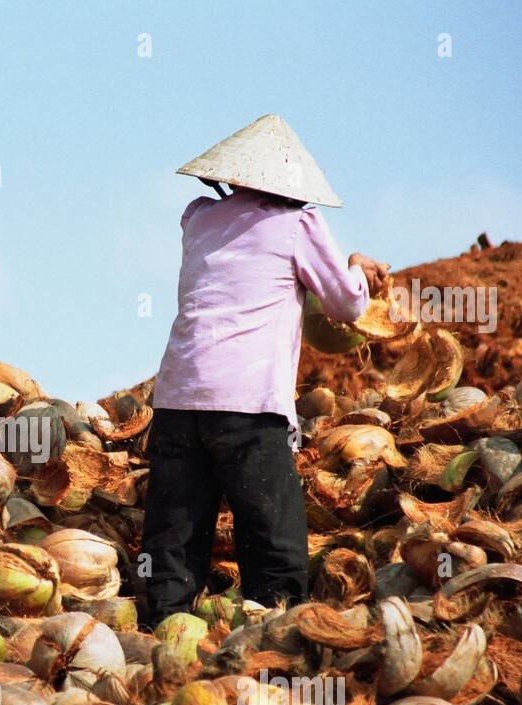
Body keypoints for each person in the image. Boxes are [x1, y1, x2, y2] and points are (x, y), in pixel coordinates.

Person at [141, 114, 387, 624]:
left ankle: (158, 637)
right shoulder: (299, 223)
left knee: (173, 536)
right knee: (274, 543)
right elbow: (344, 306)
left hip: (176, 404)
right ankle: (273, 644)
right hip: (248, 408)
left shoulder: (198, 217)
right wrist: (358, 269)